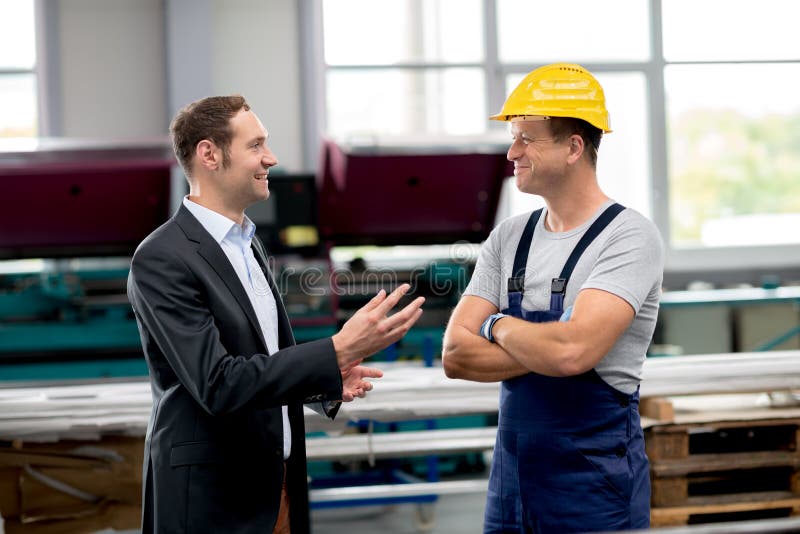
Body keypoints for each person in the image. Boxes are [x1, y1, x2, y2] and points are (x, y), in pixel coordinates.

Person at [127, 95, 425, 534]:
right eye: (256, 146)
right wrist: (336, 348)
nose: (271, 158)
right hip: (213, 500)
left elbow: (259, 364)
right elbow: (218, 383)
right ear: (209, 154)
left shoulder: (247, 245)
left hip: (276, 488)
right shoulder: (162, 257)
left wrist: (324, 380)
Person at [442, 63, 664, 533]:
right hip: (510, 489)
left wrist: (496, 325)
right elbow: (456, 354)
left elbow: (573, 352)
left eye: (527, 138)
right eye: (514, 136)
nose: (511, 151)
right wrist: (555, 343)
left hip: (594, 493)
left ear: (573, 147)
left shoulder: (628, 237)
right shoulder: (508, 238)